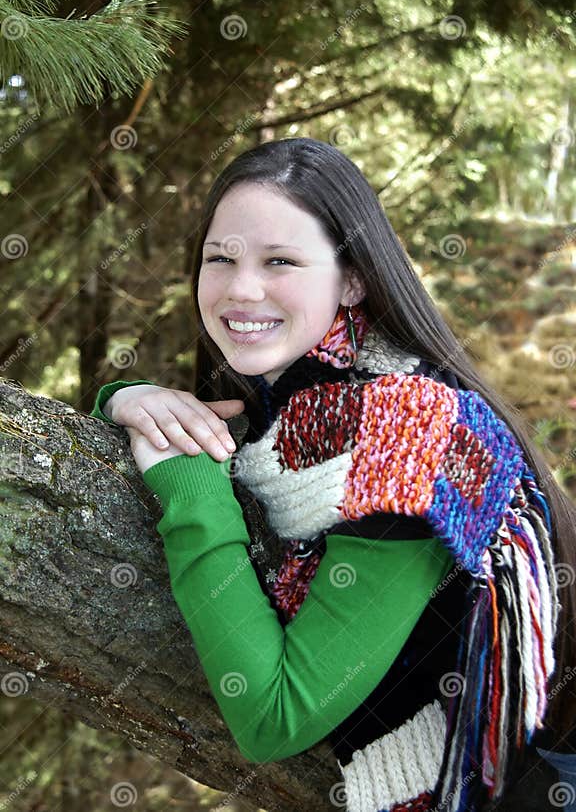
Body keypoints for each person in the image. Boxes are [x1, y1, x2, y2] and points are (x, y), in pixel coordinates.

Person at [89, 137, 576, 812]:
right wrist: (128, 399)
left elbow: (272, 717)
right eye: (219, 258)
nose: (240, 288)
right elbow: (211, 425)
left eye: (280, 261)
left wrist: (191, 487)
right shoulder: (294, 400)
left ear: (353, 279)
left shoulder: (405, 444)